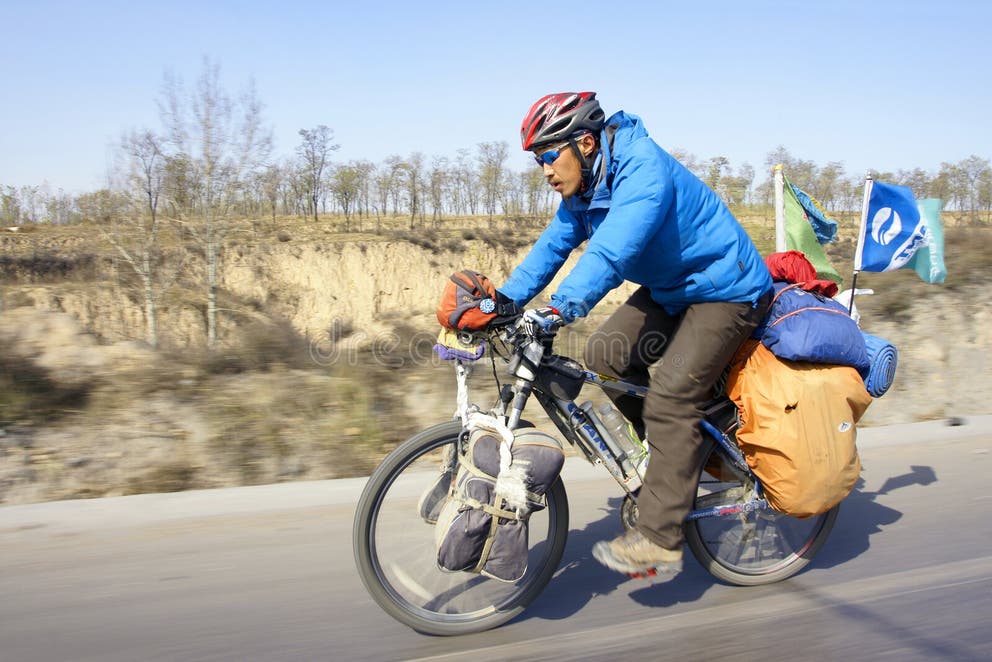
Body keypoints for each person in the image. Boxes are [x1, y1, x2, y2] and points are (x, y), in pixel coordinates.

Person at [497, 92, 773, 577]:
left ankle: (660, 536)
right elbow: (551, 248)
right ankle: (668, 460)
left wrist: (558, 310)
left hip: (727, 290)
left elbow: (611, 252)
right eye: (537, 160)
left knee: (671, 396)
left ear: (584, 142)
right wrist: (501, 304)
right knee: (604, 357)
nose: (543, 170)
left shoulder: (641, 168)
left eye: (546, 155)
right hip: (674, 290)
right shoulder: (584, 189)